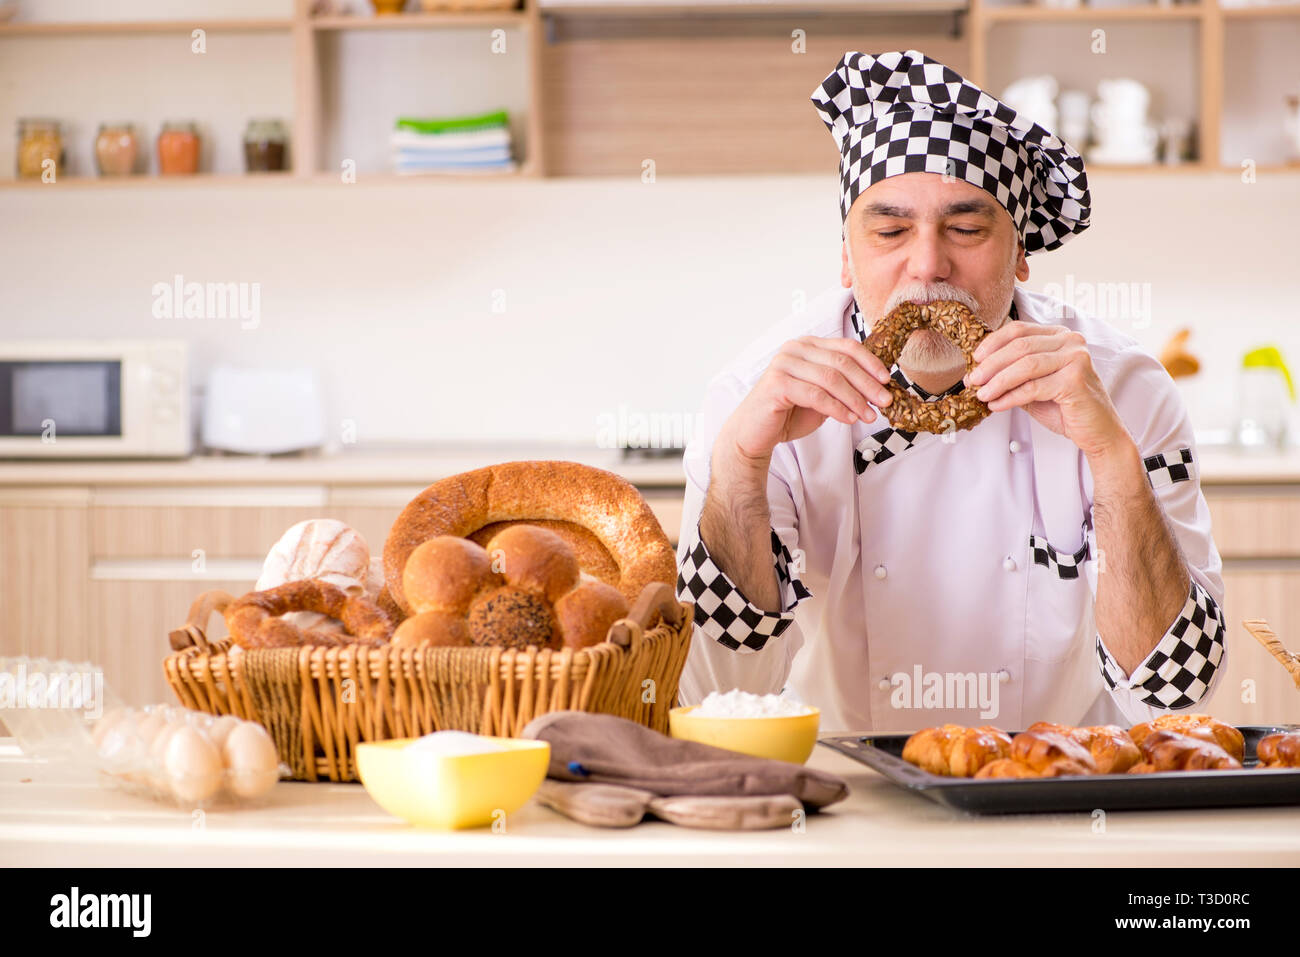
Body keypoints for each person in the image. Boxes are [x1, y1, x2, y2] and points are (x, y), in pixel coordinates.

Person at [674, 50, 1225, 732]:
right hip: (846, 797)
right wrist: (740, 469)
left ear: (1020, 250)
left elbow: (1177, 692)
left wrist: (1113, 461)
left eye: (965, 229)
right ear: (846, 255)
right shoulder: (754, 400)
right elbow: (722, 689)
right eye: (890, 230)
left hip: (1061, 791)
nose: (928, 264)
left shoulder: (1125, 391)